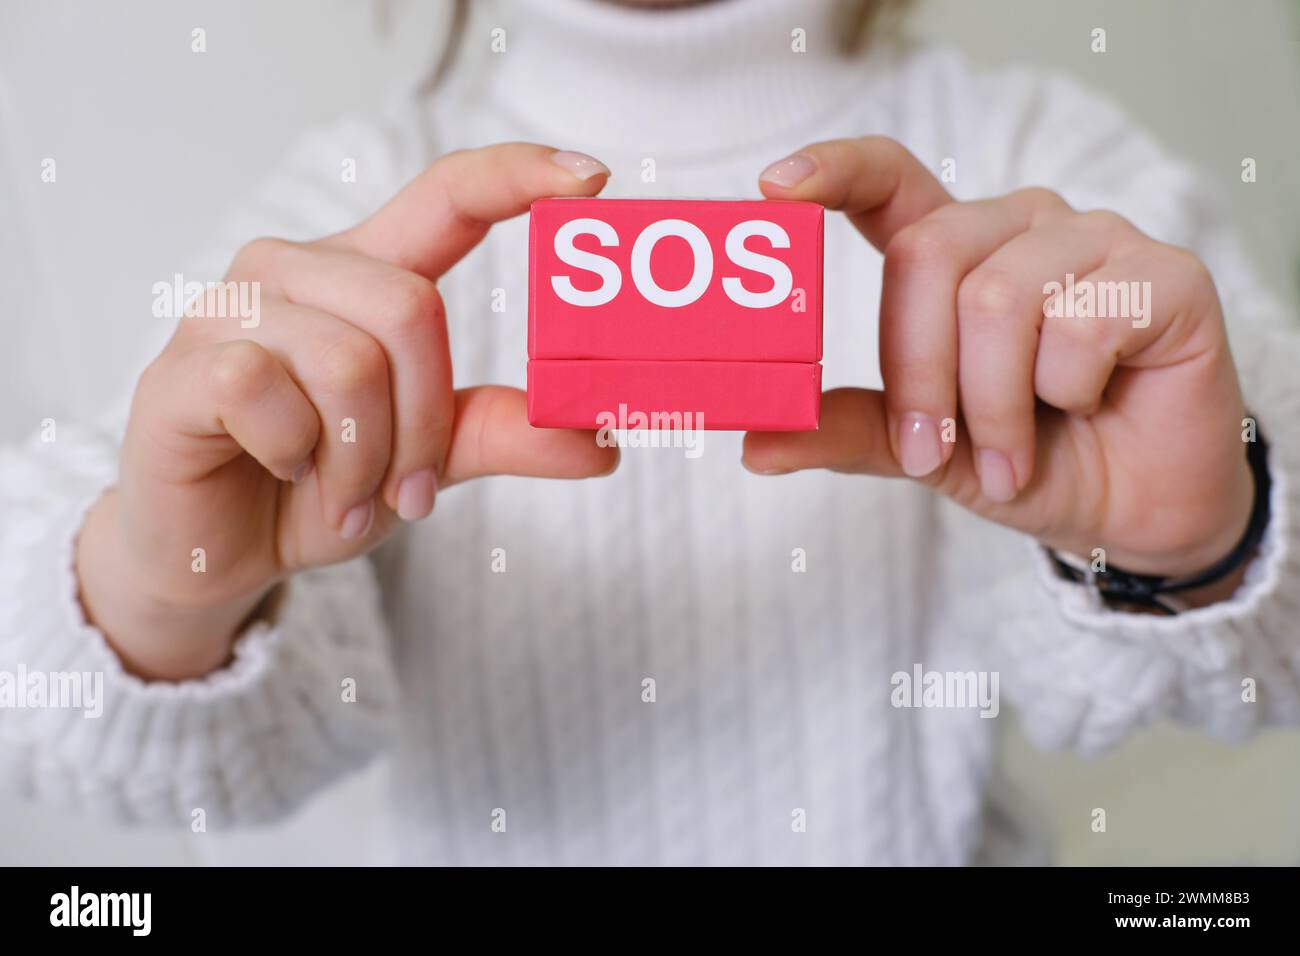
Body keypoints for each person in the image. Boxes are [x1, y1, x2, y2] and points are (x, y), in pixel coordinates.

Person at [3, 0, 1298, 865]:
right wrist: (161, 587)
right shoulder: (354, 190)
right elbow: (48, 702)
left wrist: (1206, 534)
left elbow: (1257, 663)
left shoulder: (1031, 151)